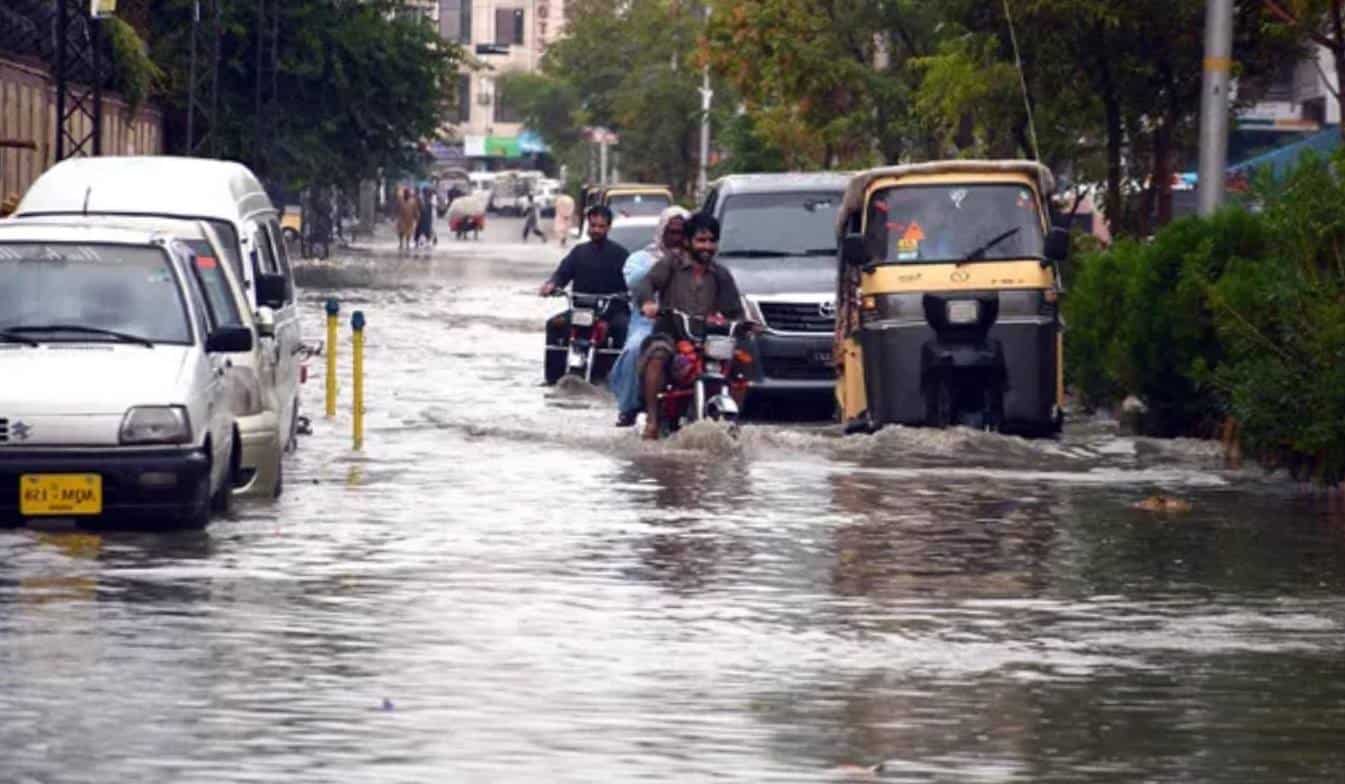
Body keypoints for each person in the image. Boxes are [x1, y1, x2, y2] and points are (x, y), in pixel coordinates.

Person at [631, 212, 744, 439]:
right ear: (687, 242)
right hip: (670, 333)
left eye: (712, 241)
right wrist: (647, 303)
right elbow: (647, 283)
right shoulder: (671, 264)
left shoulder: (721, 274)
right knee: (657, 354)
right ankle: (652, 420)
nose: (707, 246)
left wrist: (742, 324)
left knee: (743, 359)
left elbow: (735, 311)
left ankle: (735, 422)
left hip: (707, 340)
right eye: (701, 240)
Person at [608, 206, 690, 427]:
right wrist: (664, 265)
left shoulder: (698, 261)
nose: (676, 238)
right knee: (635, 349)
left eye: (682, 232)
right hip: (649, 323)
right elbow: (635, 282)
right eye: (671, 232)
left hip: (688, 324)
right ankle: (629, 407)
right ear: (662, 232)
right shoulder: (641, 259)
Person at [538, 205, 631, 384]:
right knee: (554, 324)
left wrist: (630, 294)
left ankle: (618, 379)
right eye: (593, 225)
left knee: (623, 328)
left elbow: (632, 282)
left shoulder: (621, 254)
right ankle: (552, 378)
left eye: (600, 226)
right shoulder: (579, 252)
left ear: (608, 228)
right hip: (581, 311)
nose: (596, 230)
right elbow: (562, 273)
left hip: (612, 311)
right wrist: (551, 285)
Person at [396, 187, 419, 252]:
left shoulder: (413, 201)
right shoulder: (400, 200)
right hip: (401, 218)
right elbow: (397, 208)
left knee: (408, 232)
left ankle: (407, 243)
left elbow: (415, 210)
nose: (406, 194)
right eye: (405, 193)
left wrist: (417, 218)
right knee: (401, 231)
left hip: (409, 219)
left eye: (407, 193)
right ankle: (401, 243)